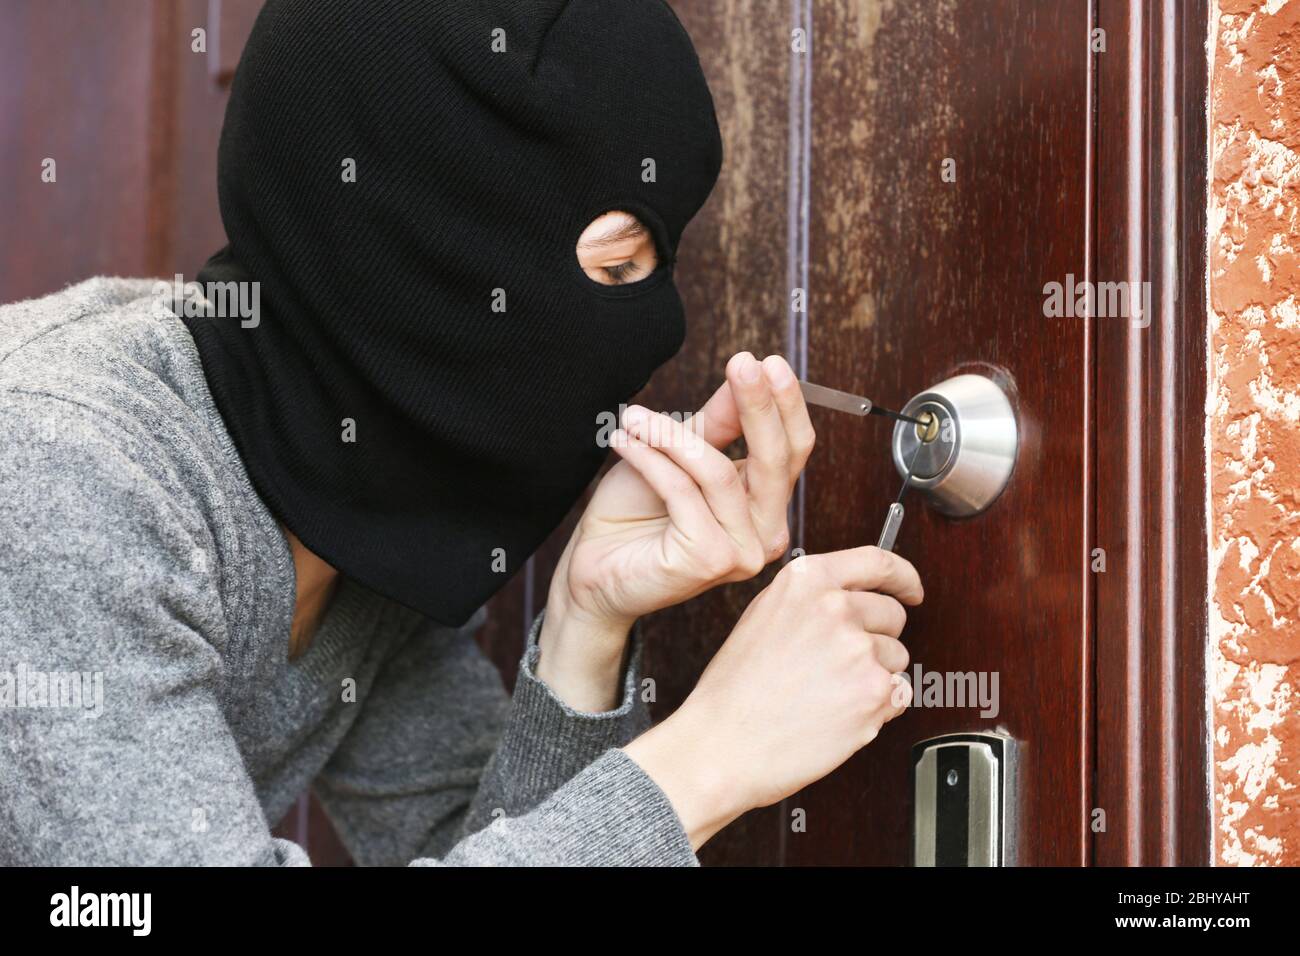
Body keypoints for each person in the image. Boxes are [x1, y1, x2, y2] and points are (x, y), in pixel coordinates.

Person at [0, 0, 919, 866]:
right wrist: (713, 756)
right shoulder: (63, 475)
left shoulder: (353, 490)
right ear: (424, 243)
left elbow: (480, 844)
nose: (656, 330)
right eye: (613, 267)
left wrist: (585, 624)